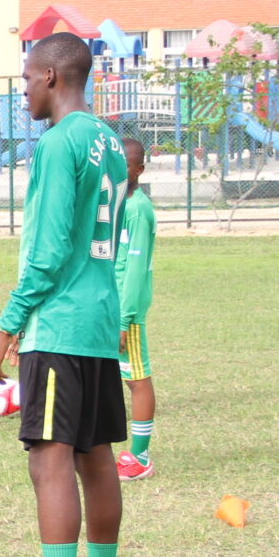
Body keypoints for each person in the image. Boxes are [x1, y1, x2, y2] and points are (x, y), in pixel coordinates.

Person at [0, 33, 128, 557]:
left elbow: (46, 250)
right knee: (95, 458)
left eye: (24, 78)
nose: (21, 89)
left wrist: (7, 323)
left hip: (59, 324)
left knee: (49, 459)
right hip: (99, 319)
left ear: (48, 76)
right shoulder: (110, 142)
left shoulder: (59, 143)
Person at [114, 137, 158, 481]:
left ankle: (140, 457)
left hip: (126, 314)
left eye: (126, 164)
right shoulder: (113, 203)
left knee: (137, 379)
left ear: (139, 169)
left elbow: (136, 268)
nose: (119, 169)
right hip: (104, 306)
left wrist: (125, 319)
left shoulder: (137, 209)